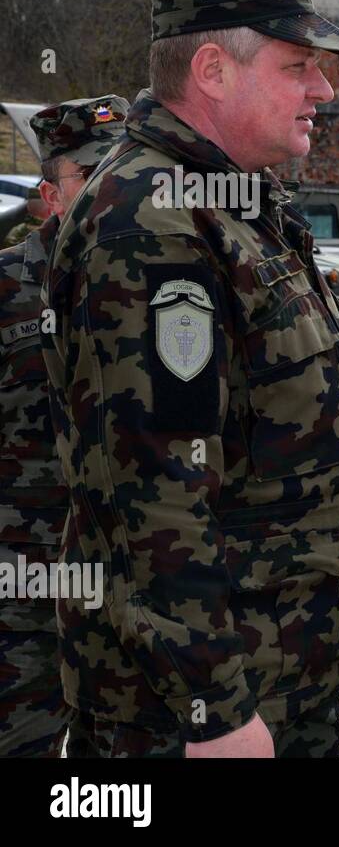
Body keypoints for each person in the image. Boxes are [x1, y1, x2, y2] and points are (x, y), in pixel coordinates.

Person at [42, 0, 339, 758]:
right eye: (300, 65)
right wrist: (215, 709)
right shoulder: (151, 223)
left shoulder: (231, 204)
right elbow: (153, 491)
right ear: (215, 71)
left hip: (280, 682)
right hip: (189, 716)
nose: (323, 90)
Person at [0, 94, 126, 757]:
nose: (113, 191)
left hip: (130, 585)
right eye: (93, 174)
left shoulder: (155, 283)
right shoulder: (8, 287)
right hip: (27, 587)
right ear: (51, 191)